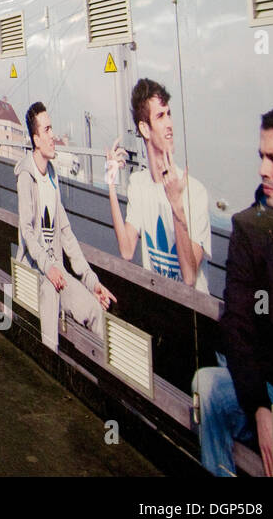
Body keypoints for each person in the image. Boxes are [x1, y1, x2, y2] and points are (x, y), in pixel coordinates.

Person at [193, 105, 273, 477]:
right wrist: (260, 405)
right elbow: (239, 324)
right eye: (261, 156)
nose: (263, 169)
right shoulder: (251, 230)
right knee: (210, 387)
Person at [16, 102, 116, 350]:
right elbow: (27, 232)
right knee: (50, 293)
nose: (53, 135)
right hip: (36, 271)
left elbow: (66, 235)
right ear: (36, 139)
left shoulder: (52, 176)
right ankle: (49, 368)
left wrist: (92, 282)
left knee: (94, 309)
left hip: (57, 271)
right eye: (47, 130)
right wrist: (48, 267)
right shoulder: (26, 176)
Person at [105, 78, 211, 292]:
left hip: (192, 314)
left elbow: (189, 276)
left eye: (169, 114)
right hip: (159, 305)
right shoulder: (138, 183)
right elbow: (126, 250)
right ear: (144, 128)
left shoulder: (195, 191)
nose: (169, 124)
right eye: (161, 116)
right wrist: (111, 183)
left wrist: (176, 205)